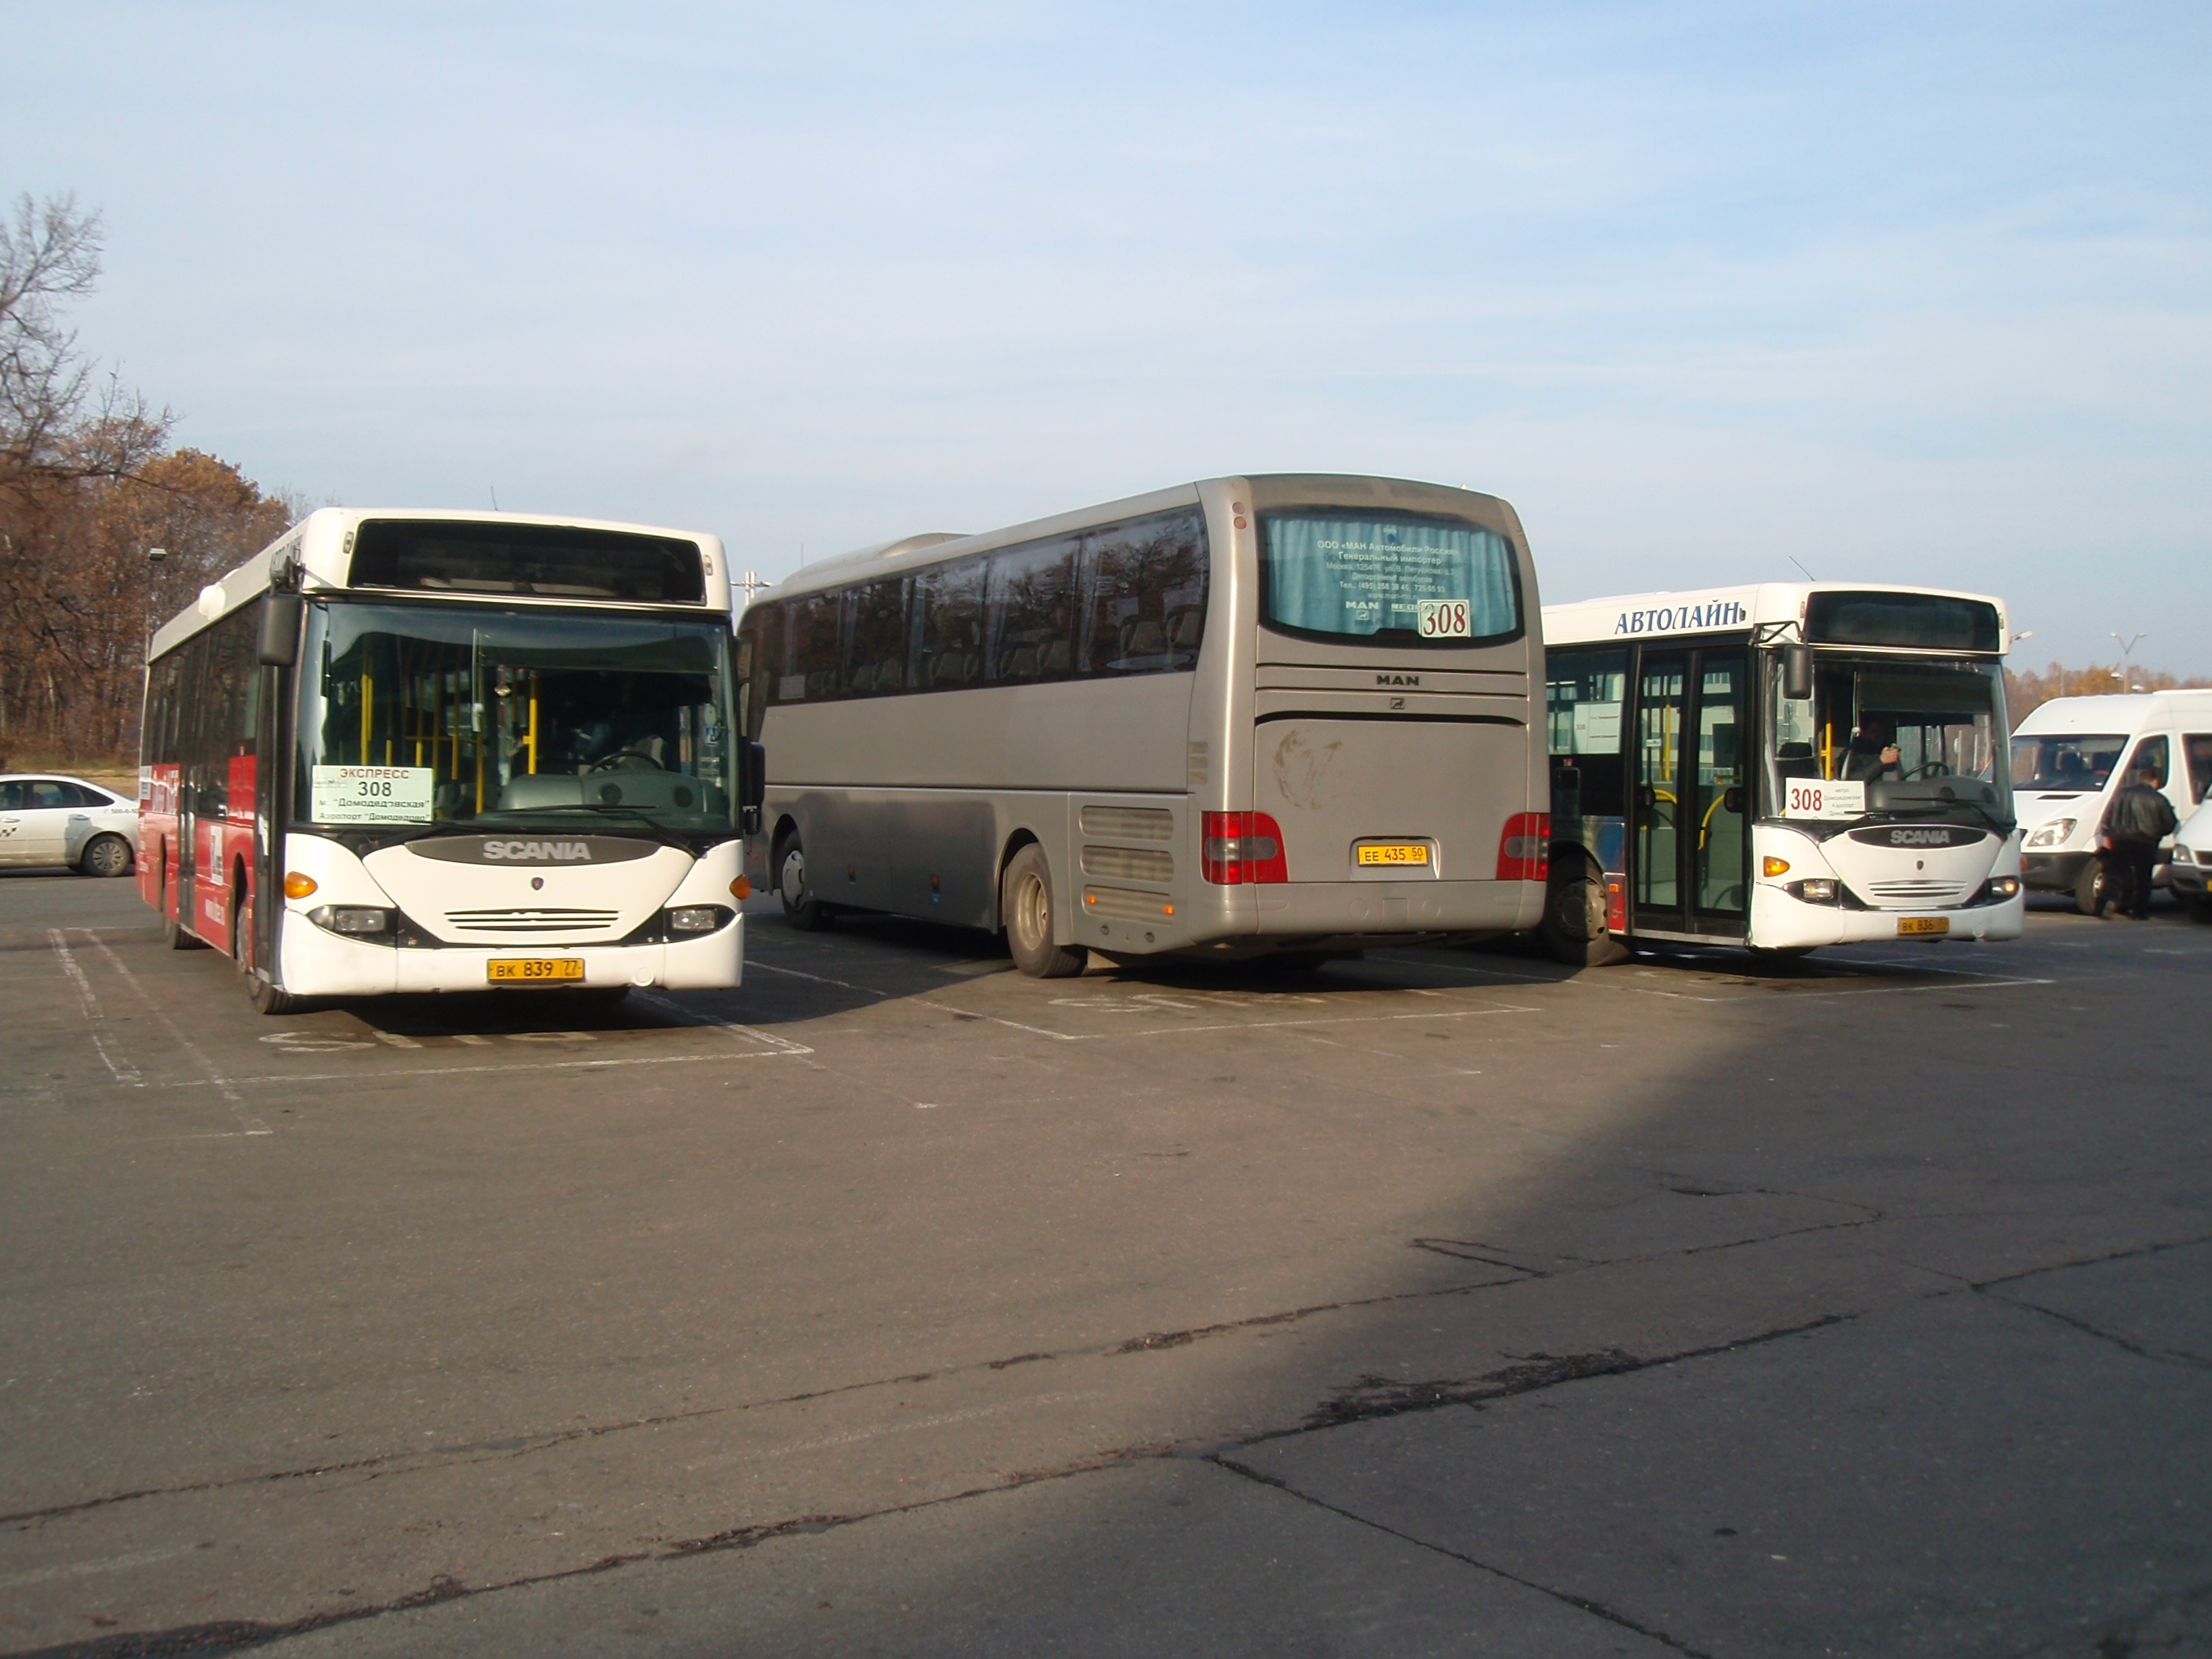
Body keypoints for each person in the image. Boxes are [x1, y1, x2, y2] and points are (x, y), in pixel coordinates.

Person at [2095, 759, 2178, 920]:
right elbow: (2170, 823)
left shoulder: (2121, 795)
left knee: (2115, 875)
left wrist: (2109, 834)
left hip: (2121, 840)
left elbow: (2109, 817)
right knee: (2143, 878)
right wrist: (2158, 834)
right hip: (2146, 842)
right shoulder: (2159, 799)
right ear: (2155, 781)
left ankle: (2106, 904)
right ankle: (2140, 912)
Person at [1841, 717, 1902, 782]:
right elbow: (1852, 780)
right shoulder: (1851, 753)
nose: (1879, 735)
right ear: (1863, 733)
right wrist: (1881, 762)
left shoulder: (1888, 752)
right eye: (1875, 731)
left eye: (1882, 732)